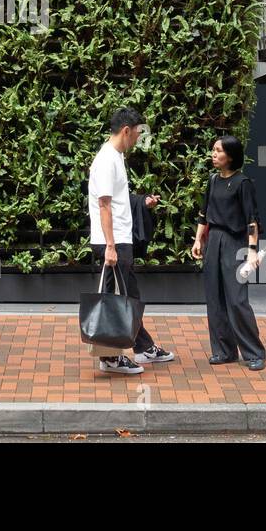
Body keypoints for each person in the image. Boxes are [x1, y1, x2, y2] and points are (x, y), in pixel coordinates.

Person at [87, 106, 175, 375]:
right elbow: (103, 205)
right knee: (115, 301)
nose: (137, 139)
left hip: (119, 240)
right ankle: (110, 358)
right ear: (125, 131)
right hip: (112, 243)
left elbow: (116, 199)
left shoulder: (115, 157)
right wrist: (111, 247)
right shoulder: (106, 160)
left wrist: (141, 202)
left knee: (128, 298)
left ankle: (142, 347)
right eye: (136, 134)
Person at [192, 134, 266, 371]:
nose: (214, 154)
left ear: (231, 156)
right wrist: (198, 239)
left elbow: (252, 220)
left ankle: (254, 353)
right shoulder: (213, 181)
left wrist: (253, 251)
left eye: (218, 151)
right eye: (213, 150)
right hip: (214, 240)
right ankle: (224, 351)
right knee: (215, 298)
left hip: (235, 243)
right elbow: (204, 214)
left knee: (237, 299)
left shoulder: (243, 183)